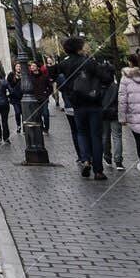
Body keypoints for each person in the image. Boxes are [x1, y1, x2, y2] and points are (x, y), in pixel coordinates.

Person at [57, 35, 107, 180]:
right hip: (94, 103)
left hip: (78, 104)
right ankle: (98, 170)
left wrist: (69, 92)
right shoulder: (89, 62)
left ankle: (85, 159)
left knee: (81, 133)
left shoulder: (65, 64)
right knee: (96, 136)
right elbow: (106, 78)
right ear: (79, 47)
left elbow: (58, 79)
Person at [101, 59, 126, 171]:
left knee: (105, 136)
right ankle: (118, 161)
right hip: (114, 113)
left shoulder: (100, 86)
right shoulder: (116, 86)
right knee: (117, 136)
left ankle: (107, 157)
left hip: (103, 113)